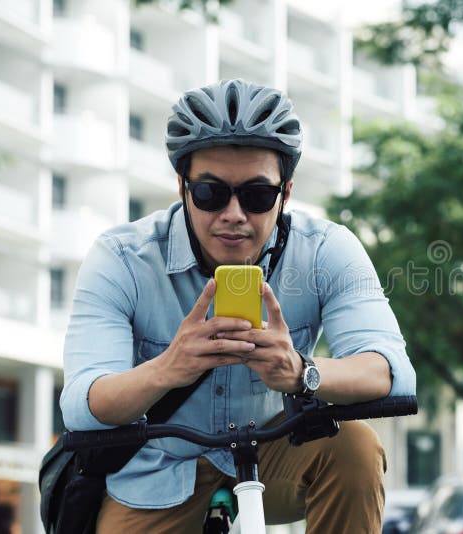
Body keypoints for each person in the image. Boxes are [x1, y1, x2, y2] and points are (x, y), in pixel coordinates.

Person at [60, 78, 416, 533]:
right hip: (157, 472)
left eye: (257, 195)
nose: (233, 214)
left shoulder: (327, 249)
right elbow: (81, 404)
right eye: (209, 193)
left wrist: (302, 371)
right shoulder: (121, 258)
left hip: (274, 460)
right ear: (182, 188)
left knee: (356, 450)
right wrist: (168, 367)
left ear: (285, 194)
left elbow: (393, 373)